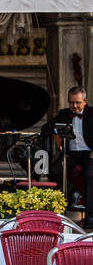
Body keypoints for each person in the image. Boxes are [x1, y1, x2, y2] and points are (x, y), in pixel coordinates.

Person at [41, 86, 91, 220]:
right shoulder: (64, 113)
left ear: (85, 101)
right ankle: (72, 193)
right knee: (54, 170)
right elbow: (45, 128)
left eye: (78, 102)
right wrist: (58, 130)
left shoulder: (91, 113)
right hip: (71, 153)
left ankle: (90, 215)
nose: (74, 106)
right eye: (71, 102)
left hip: (89, 153)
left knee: (89, 176)